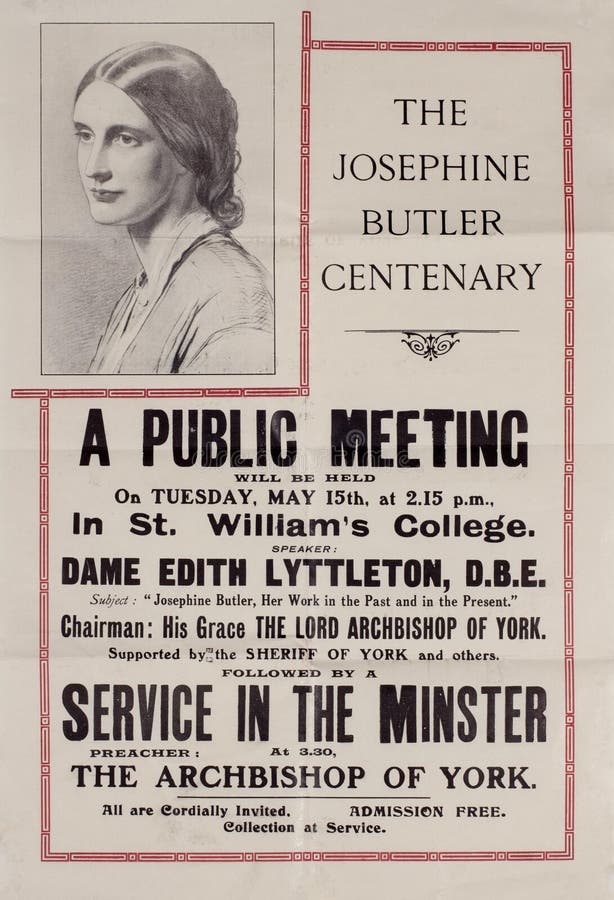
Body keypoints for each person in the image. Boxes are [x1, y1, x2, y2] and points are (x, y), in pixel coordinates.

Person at [73, 42, 273, 375]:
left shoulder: (231, 295)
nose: (94, 167)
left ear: (186, 149)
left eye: (124, 138)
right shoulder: (142, 293)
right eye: (85, 135)